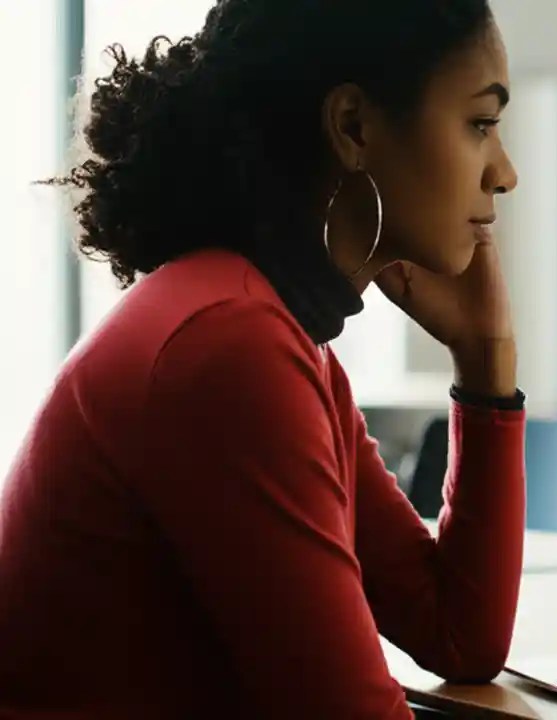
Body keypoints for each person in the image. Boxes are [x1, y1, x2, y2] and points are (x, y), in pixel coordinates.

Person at [0, 1, 525, 717]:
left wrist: (485, 361)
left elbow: (457, 634)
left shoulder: (267, 333)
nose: (504, 172)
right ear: (353, 127)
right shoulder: (231, 347)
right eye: (479, 125)